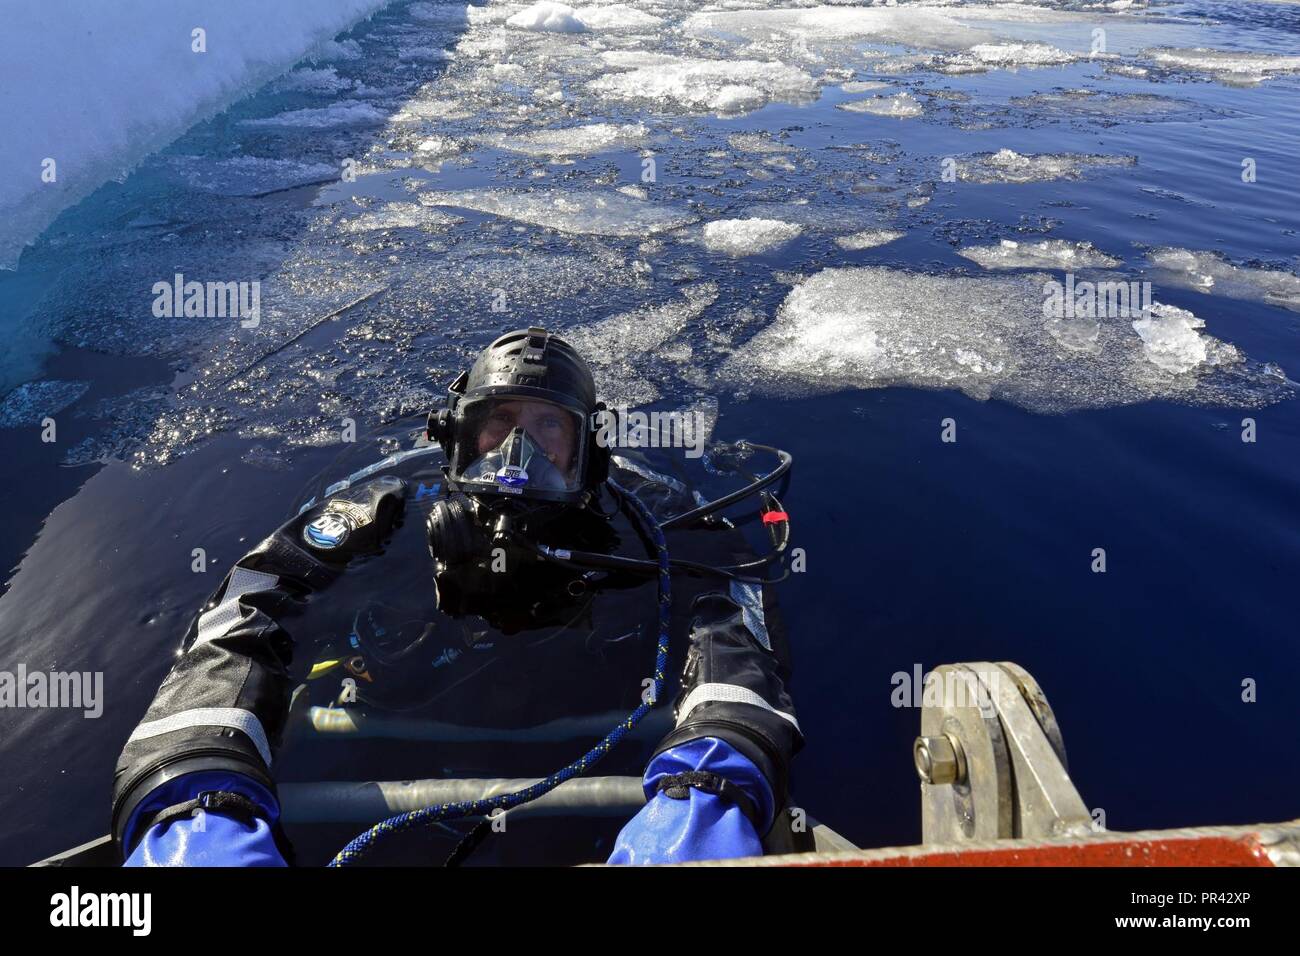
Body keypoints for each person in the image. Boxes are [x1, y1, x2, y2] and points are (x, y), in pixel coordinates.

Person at [112, 327, 801, 866]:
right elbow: (256, 600)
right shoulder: (385, 507)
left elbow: (729, 621)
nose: (517, 452)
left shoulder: (651, 523)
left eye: (547, 428)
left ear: (585, 452)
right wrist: (194, 780)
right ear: (461, 436)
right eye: (499, 423)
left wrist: (715, 776)